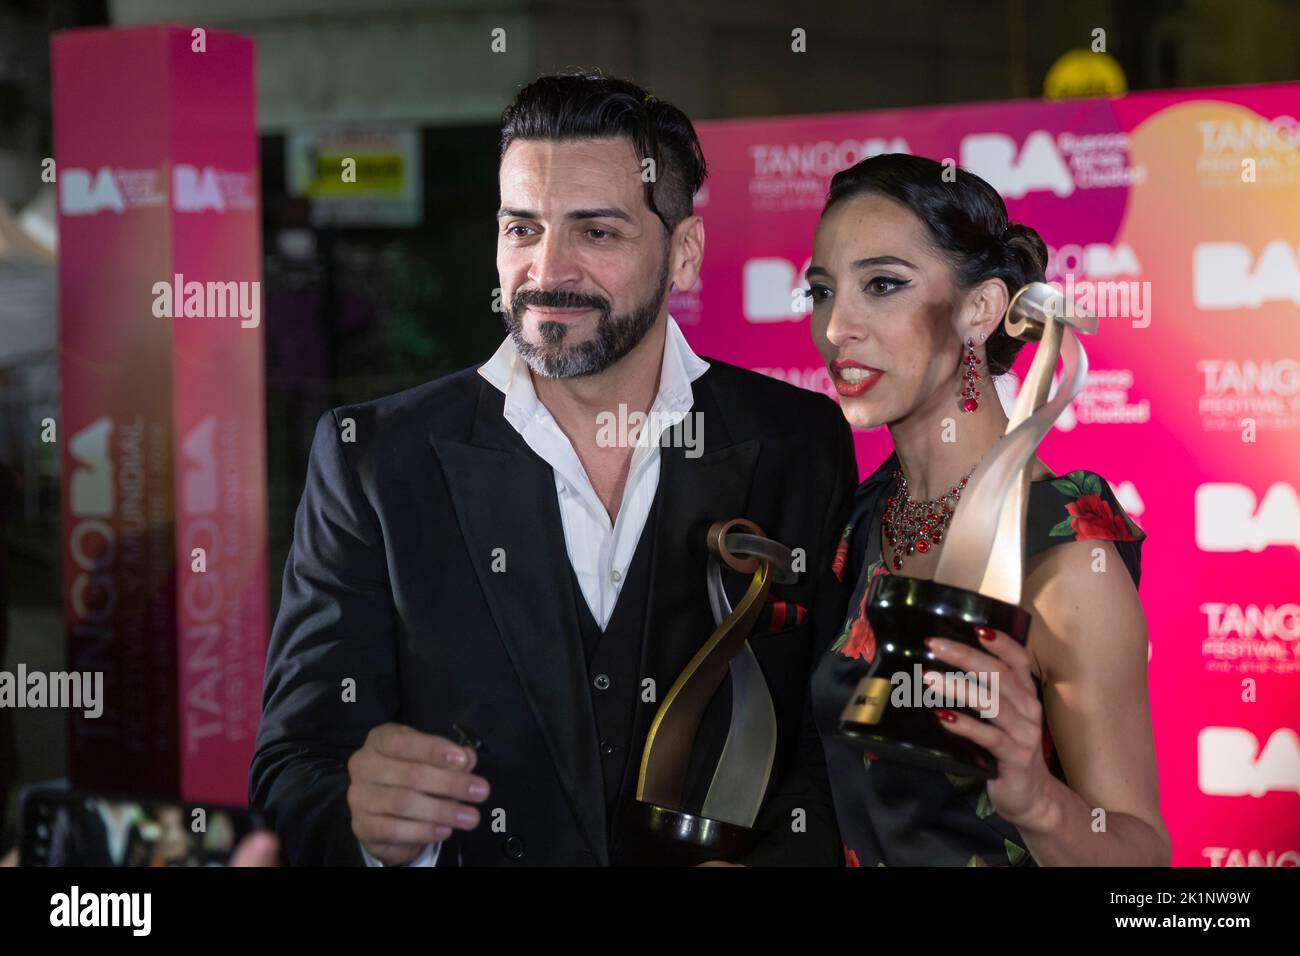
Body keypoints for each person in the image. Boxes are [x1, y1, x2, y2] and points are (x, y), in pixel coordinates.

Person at [250, 70, 858, 867]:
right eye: (522, 228)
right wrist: (369, 822)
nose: (547, 271)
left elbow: (831, 744)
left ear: (684, 253)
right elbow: (294, 769)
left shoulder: (796, 441)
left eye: (596, 232)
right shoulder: (372, 458)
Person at [805, 153, 1170, 866]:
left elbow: (1140, 856)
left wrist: (1036, 801)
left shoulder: (1063, 550)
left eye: (883, 285)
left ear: (981, 309)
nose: (836, 327)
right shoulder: (856, 519)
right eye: (822, 291)